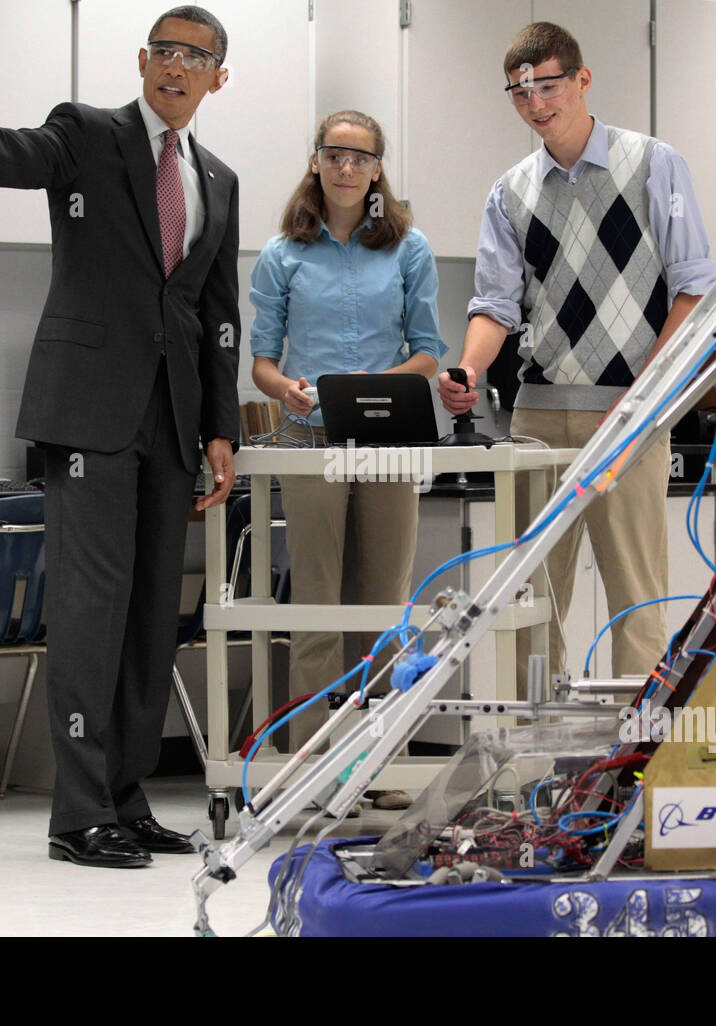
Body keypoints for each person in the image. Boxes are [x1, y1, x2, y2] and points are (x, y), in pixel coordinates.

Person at [0, 6, 241, 867]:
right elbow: (25, 153)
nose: (176, 66)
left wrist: (220, 431)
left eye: (195, 57)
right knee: (91, 613)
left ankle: (126, 800)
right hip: (89, 413)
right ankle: (78, 812)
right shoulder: (87, 135)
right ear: (141, 60)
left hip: (170, 425)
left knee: (149, 622)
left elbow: (215, 316)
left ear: (218, 78)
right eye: (164, 51)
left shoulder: (221, 181)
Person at [439, 22, 716, 686]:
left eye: (548, 85)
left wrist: (644, 393)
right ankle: (535, 768)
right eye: (519, 92)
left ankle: (632, 768)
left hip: (630, 419)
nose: (536, 103)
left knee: (638, 603)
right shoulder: (509, 193)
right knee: (532, 602)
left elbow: (695, 287)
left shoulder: (654, 163)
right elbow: (495, 305)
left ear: (583, 80)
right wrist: (469, 369)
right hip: (538, 419)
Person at [249, 111, 446, 804]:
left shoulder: (408, 247)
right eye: (334, 155)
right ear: (315, 161)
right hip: (310, 441)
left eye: (359, 158)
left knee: (385, 605)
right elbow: (262, 363)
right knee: (316, 605)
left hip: (389, 440)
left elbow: (428, 350)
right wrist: (287, 391)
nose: (345, 168)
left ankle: (378, 767)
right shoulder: (284, 254)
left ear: (377, 169)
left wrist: (376, 389)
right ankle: (312, 768)